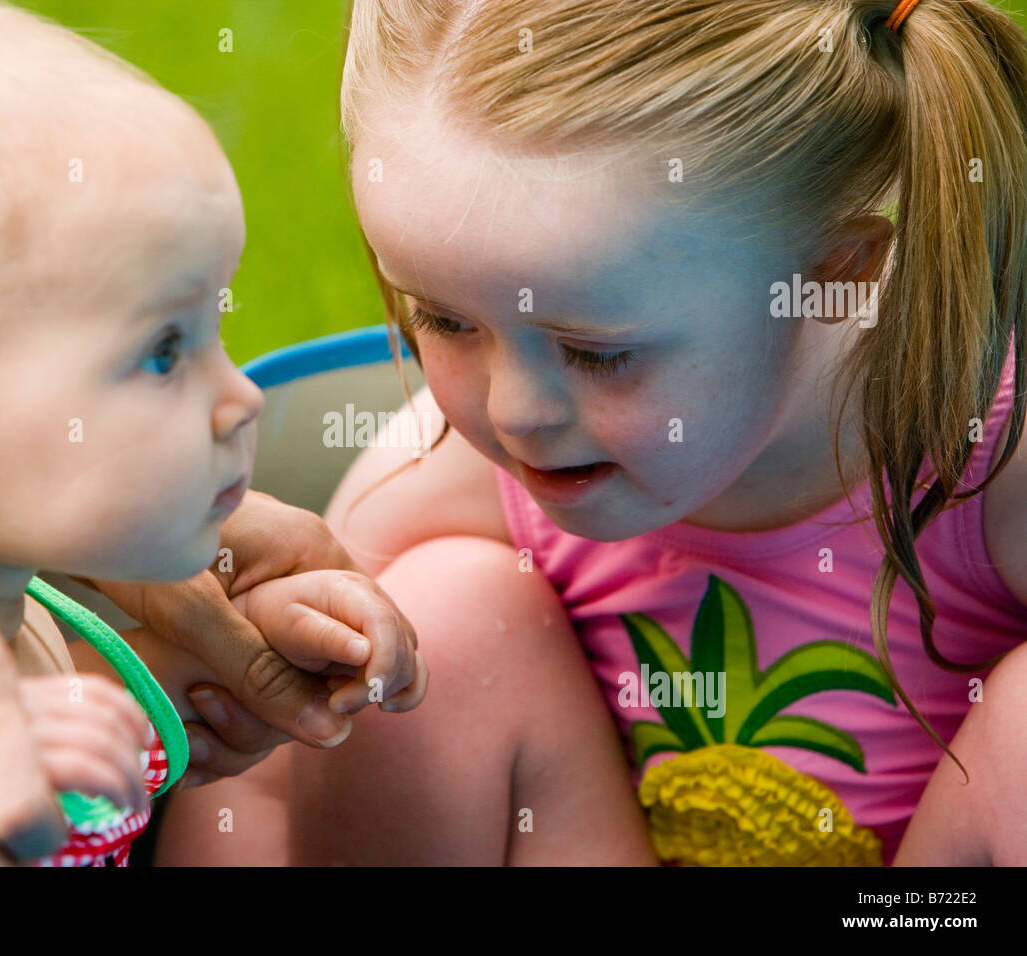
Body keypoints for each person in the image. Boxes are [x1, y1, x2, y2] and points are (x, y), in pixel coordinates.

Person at [159, 0, 1027, 865]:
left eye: (596, 353)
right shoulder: (442, 488)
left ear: (835, 273)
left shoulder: (992, 469)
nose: (513, 411)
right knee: (429, 623)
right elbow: (265, 783)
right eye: (444, 320)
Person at [0, 0, 425, 865]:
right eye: (164, 351)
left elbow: (131, 718)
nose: (241, 396)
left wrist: (248, 648)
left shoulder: (45, 626)